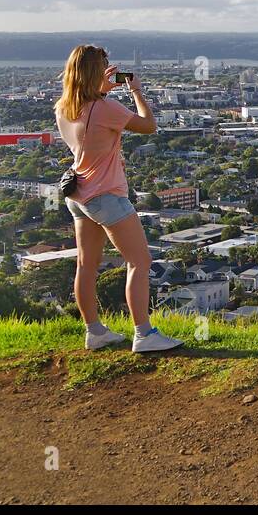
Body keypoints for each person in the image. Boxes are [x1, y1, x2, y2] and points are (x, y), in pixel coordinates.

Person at [54, 45, 182, 354]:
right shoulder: (106, 108)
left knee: (86, 265)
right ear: (97, 72)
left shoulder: (63, 107)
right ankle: (144, 333)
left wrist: (101, 91)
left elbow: (88, 127)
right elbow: (148, 126)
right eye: (105, 66)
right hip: (106, 196)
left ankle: (95, 332)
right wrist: (136, 92)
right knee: (140, 261)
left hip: (78, 193)